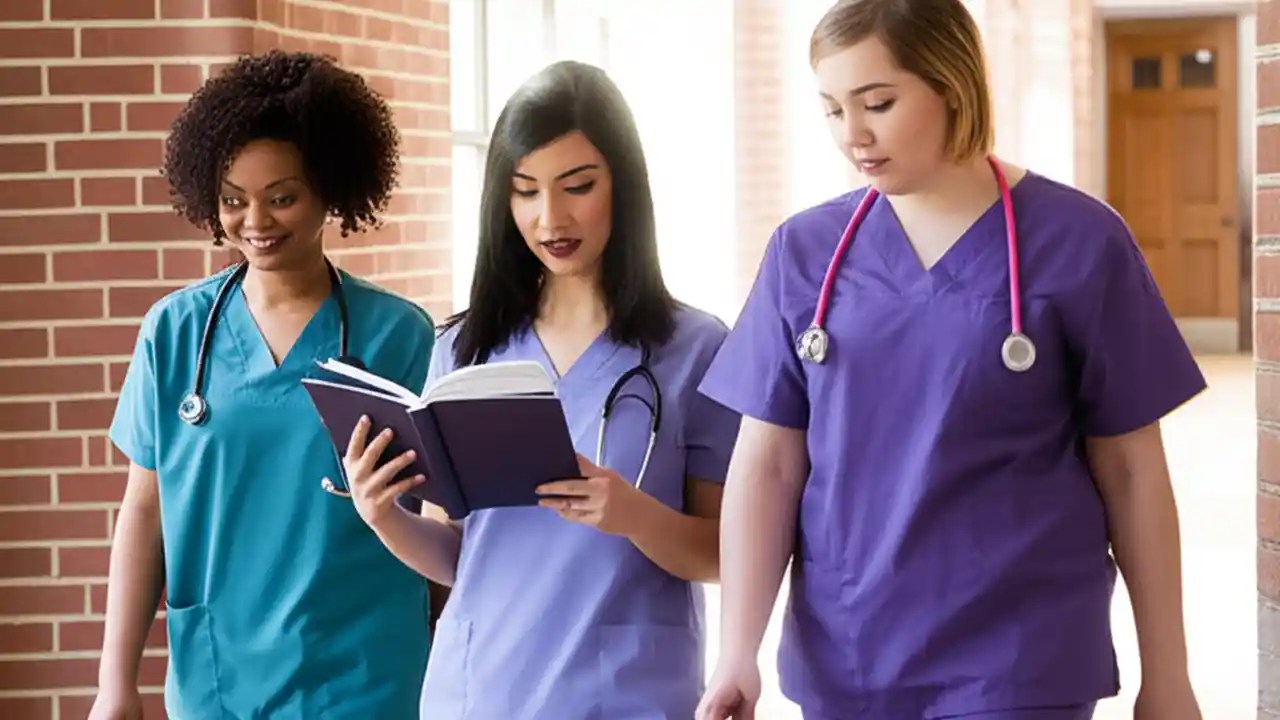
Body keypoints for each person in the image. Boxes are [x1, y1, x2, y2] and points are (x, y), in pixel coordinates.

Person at [695, 1, 1206, 719]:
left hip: (1022, 656)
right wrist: (736, 652)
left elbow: (1131, 470)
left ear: (953, 86)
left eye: (878, 103)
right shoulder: (804, 252)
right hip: (852, 654)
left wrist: (1169, 674)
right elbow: (768, 466)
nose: (852, 134)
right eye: (833, 109)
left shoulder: (1081, 241)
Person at [338, 59, 740, 719]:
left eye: (577, 186)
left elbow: (727, 554)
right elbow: (456, 554)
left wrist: (633, 515)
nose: (551, 217)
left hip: (627, 698)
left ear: (623, 185)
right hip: (483, 693)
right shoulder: (463, 349)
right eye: (525, 191)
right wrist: (382, 516)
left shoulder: (695, 349)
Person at [91, 51, 436, 720]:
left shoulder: (399, 336)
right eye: (233, 200)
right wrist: (115, 684)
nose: (256, 222)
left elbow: (444, 519)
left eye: (282, 198)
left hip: (362, 678)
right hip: (217, 678)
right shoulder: (175, 332)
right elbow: (144, 511)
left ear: (330, 190)